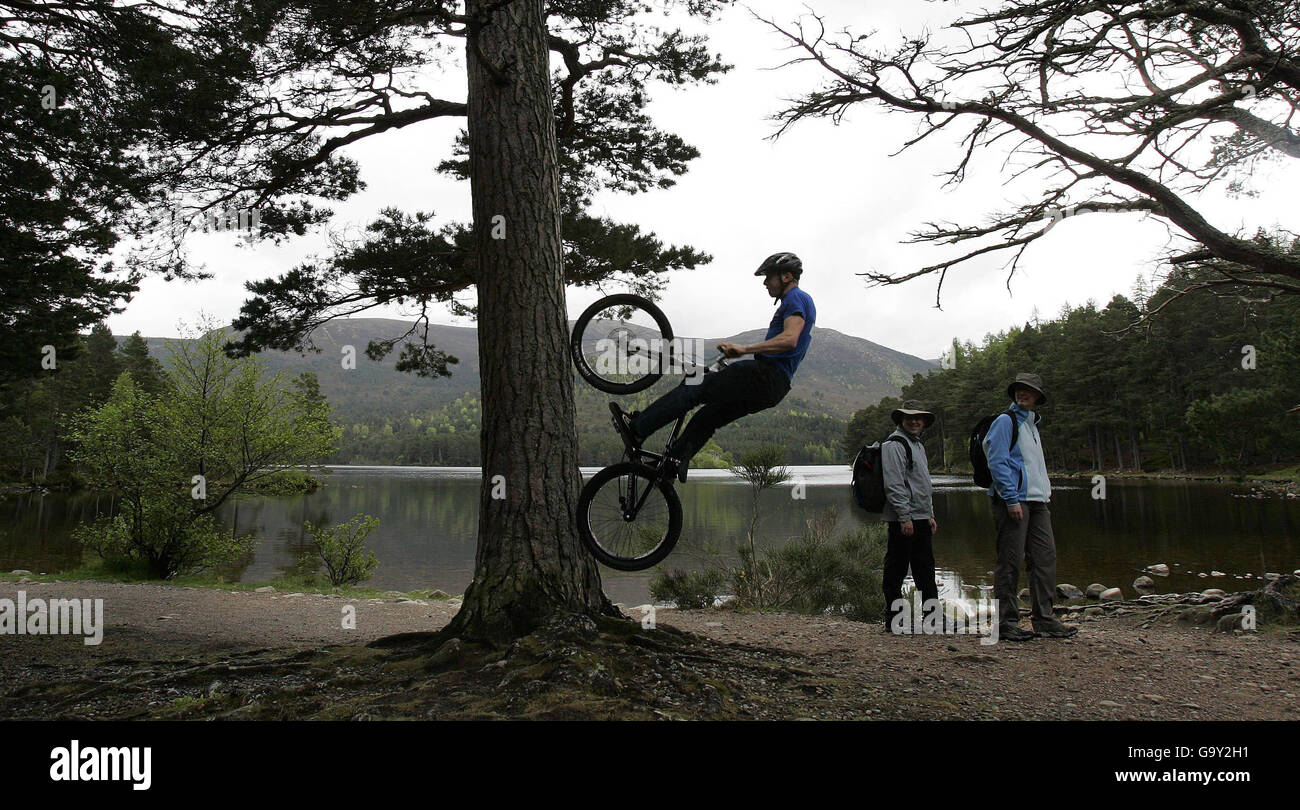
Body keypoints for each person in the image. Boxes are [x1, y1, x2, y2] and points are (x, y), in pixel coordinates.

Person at [610, 252, 815, 482]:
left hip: (766, 375)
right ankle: (670, 468)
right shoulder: (796, 301)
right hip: (774, 388)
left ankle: (638, 429)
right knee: (708, 417)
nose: (765, 282)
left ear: (787, 276)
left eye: (769, 277)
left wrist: (744, 350)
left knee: (693, 384)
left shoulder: (796, 298)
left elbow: (790, 339)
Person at [983, 373, 1078, 641]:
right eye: (1019, 390)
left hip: (1038, 502)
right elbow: (997, 461)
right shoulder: (1005, 421)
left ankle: (1044, 619)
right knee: (1010, 562)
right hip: (1013, 501)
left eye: (1029, 391)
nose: (1023, 393)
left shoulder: (1032, 425)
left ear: (1037, 396)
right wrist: (1011, 498)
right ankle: (1006, 624)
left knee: (1045, 559)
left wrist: (1044, 493)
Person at [880, 400, 939, 634]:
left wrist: (929, 514)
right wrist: (904, 517)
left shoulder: (917, 445)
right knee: (896, 569)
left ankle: (933, 619)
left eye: (919, 418)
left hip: (920, 517)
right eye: (909, 418)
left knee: (925, 569)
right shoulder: (894, 445)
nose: (915, 421)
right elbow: (894, 484)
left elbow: (922, 483)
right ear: (901, 421)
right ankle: (894, 620)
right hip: (903, 520)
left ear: (923, 422)